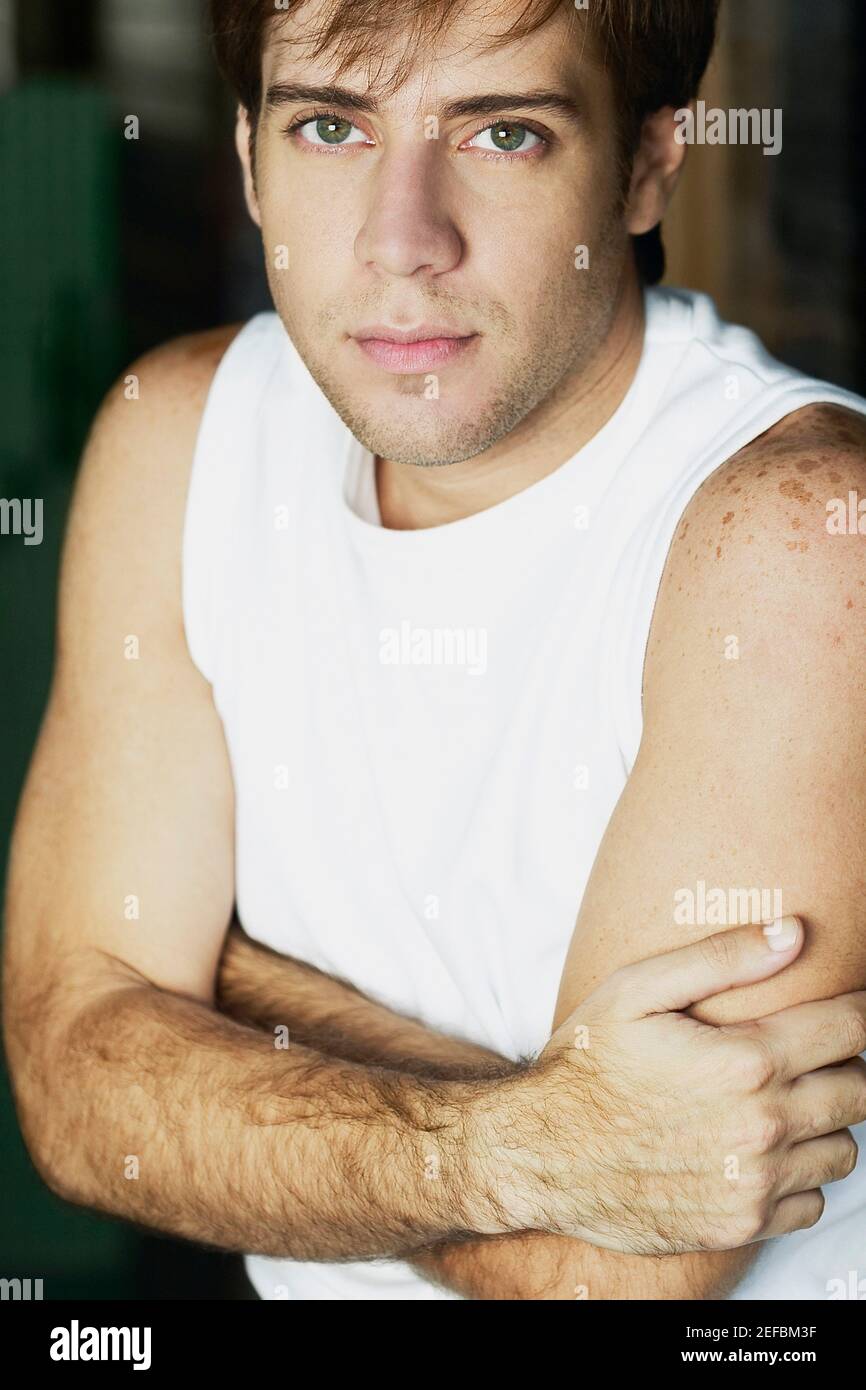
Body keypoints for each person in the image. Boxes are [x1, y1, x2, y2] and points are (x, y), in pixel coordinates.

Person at [4, 0, 866, 1301]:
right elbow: (75, 1090)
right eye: (331, 126)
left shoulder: (797, 538)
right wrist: (538, 1139)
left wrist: (208, 979)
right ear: (247, 157)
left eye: (503, 132)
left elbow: (614, 1268)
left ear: (643, 165)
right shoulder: (179, 438)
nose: (402, 240)